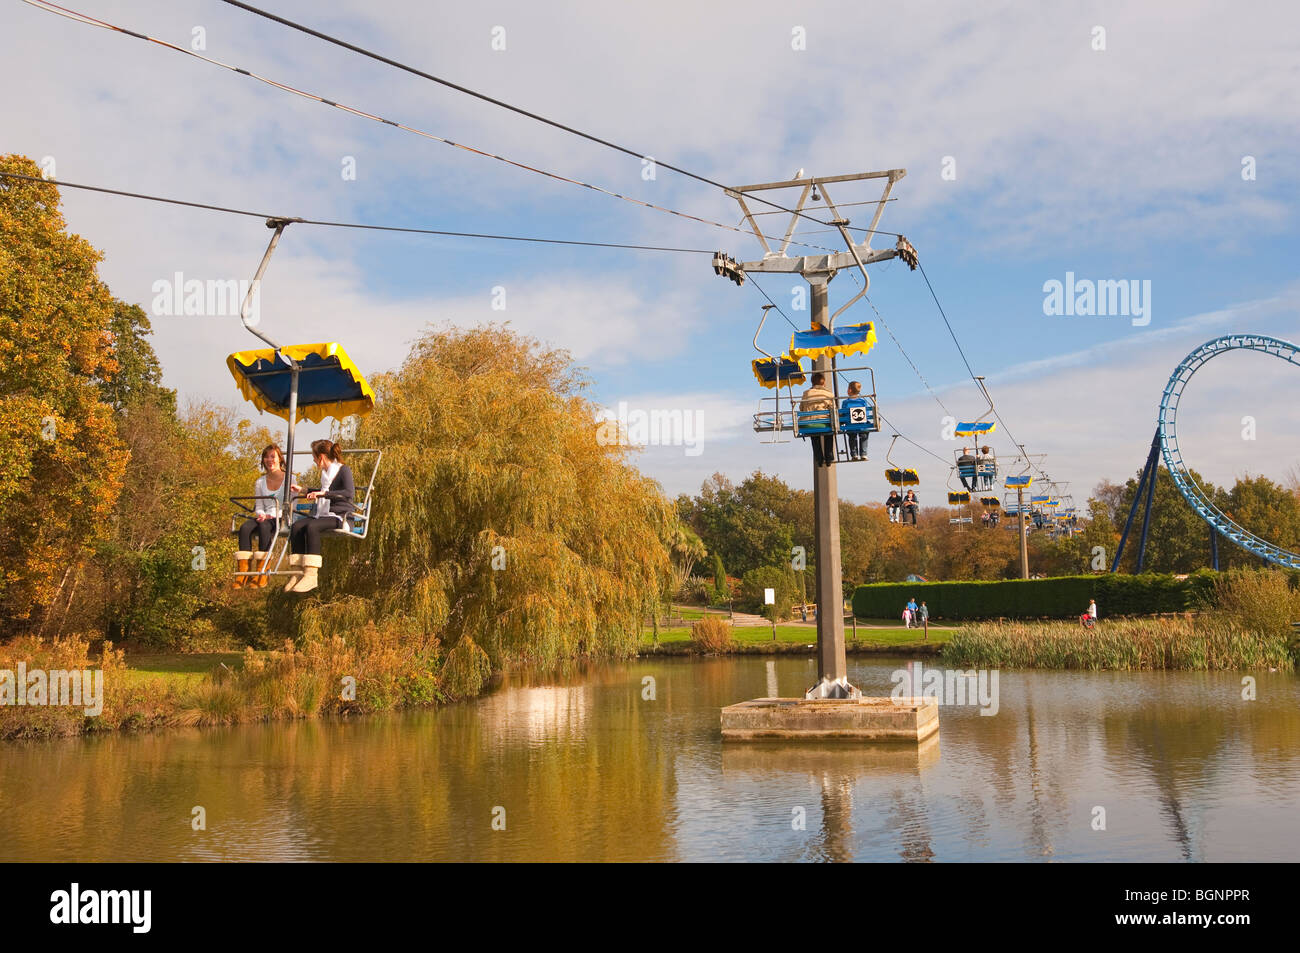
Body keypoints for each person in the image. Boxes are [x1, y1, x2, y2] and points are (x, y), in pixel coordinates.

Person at [282, 439, 356, 594]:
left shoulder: (343, 470)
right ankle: (297, 573)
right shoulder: (326, 475)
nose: (314, 461)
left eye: (314, 458)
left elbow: (349, 493)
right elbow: (324, 491)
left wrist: (323, 493)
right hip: (324, 514)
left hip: (340, 516)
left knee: (311, 526)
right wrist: (303, 490)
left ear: (321, 457)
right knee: (296, 527)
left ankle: (311, 575)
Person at [234, 444, 285, 590]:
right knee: (245, 528)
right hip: (265, 516)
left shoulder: (289, 479)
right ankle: (243, 573)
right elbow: (259, 505)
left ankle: (263, 572)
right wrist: (262, 514)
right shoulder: (260, 482)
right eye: (266, 457)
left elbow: (289, 505)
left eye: (272, 456)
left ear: (279, 459)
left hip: (280, 516)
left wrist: (272, 515)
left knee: (264, 527)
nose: (269, 460)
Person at [799, 372, 836, 468]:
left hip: (808, 424)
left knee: (814, 435)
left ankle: (819, 458)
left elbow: (801, 408)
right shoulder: (829, 394)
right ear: (824, 383)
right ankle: (829, 457)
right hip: (824, 423)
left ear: (812, 383)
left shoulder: (806, 393)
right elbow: (833, 410)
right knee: (829, 433)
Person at [841, 380, 869, 461]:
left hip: (850, 426)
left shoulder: (845, 402)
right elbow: (866, 414)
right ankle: (864, 453)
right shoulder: (863, 401)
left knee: (852, 437)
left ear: (849, 390)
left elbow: (843, 414)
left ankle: (854, 454)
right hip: (862, 426)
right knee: (864, 434)